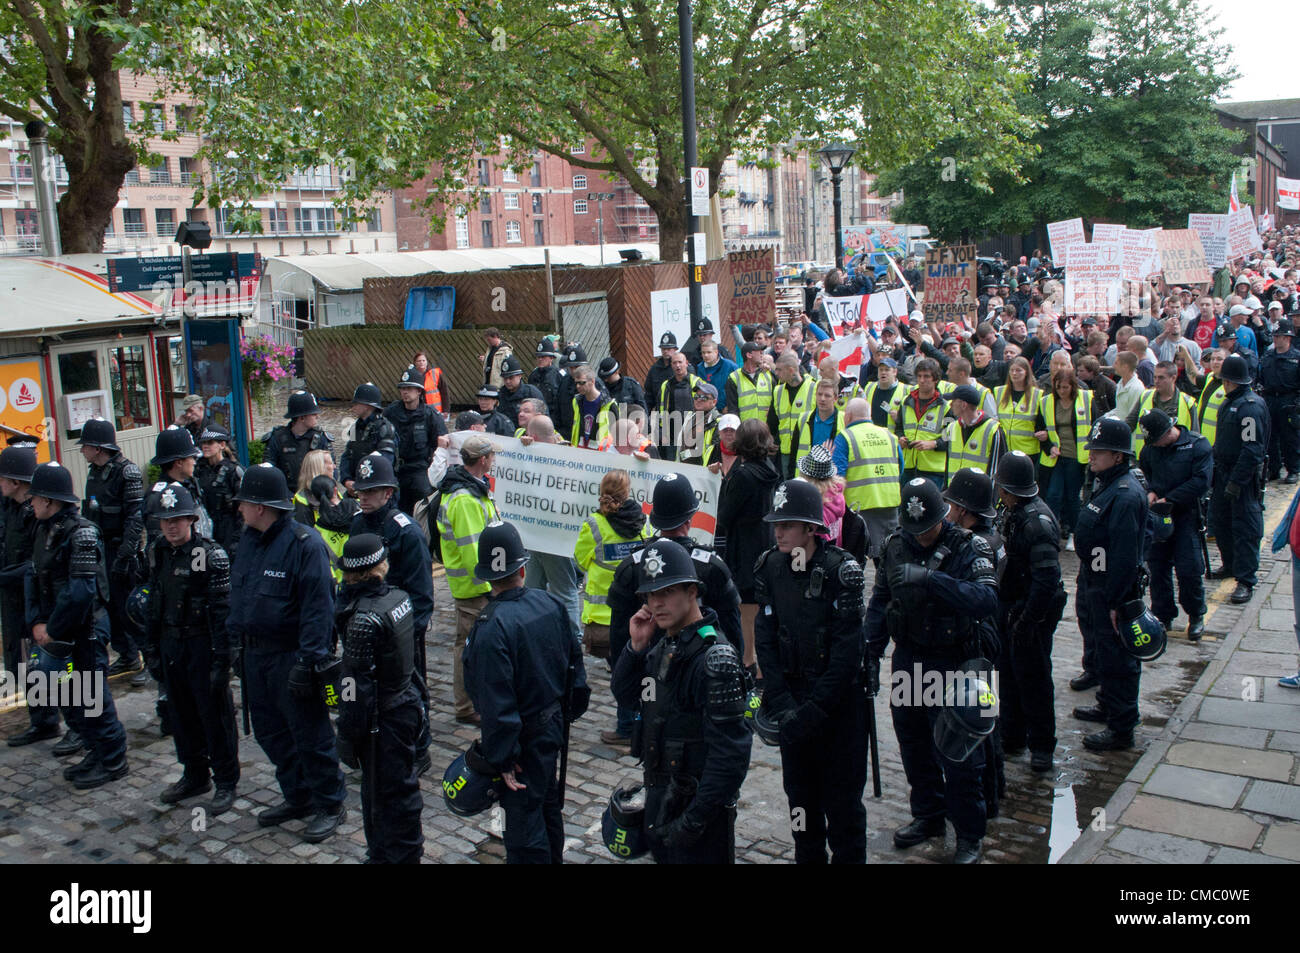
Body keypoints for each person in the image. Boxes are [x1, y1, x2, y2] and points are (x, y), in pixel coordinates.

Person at [865, 478, 1000, 864]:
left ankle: (969, 835)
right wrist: (870, 654)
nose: (921, 537)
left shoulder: (968, 547)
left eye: (927, 530)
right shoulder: (895, 546)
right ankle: (928, 815)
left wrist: (933, 580)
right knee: (914, 744)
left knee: (960, 757)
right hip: (911, 658)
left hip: (954, 661)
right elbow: (880, 602)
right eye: (915, 531)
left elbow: (986, 599)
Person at [610, 538, 752, 864]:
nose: (656, 603)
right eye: (650, 595)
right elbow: (629, 695)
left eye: (666, 592)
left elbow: (730, 756)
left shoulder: (714, 659)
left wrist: (693, 822)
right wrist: (635, 648)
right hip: (662, 799)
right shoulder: (666, 644)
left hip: (697, 812)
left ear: (692, 592)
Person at [228, 463, 346, 841]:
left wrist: (310, 662)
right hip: (255, 655)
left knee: (310, 736)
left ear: (260, 506)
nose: (240, 509)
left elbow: (318, 609)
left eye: (244, 503)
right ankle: (298, 795)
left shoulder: (304, 544)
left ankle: (330, 802)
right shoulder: (248, 539)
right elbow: (240, 592)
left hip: (291, 656)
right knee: (269, 732)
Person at [754, 478, 867, 863]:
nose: (779, 531)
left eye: (787, 525)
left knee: (844, 807)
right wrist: (783, 702)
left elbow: (847, 652)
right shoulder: (770, 566)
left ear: (810, 527)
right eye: (776, 524)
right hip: (792, 702)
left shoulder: (841, 572)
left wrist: (815, 711)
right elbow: (765, 638)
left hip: (837, 711)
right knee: (800, 804)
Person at [464, 520, 590, 864]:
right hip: (549, 730)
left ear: (488, 577)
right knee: (549, 807)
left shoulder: (491, 626)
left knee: (522, 826)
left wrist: (503, 757)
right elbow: (574, 671)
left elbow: (495, 700)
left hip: (521, 741)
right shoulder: (550, 604)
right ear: (523, 568)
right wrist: (566, 715)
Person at [604, 474, 743, 748]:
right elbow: (733, 635)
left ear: (654, 519)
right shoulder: (712, 566)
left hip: (653, 683)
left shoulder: (632, 565)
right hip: (700, 684)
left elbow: (619, 638)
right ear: (690, 519)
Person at [27, 461, 129, 787]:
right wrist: (39, 622)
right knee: (72, 699)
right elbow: (40, 580)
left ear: (49, 500)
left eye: (35, 498)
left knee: (92, 698)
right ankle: (95, 751)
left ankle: (113, 760)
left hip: (85, 630)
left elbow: (81, 592)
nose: (31, 503)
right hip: (60, 630)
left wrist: (51, 630)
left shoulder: (82, 533)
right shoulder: (45, 529)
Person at [142, 481, 238, 813]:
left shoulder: (210, 555)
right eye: (165, 519)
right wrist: (151, 649)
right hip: (171, 642)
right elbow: (154, 600)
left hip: (201, 644)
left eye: (178, 519)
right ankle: (194, 773)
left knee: (214, 716)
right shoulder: (157, 551)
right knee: (180, 715)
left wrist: (222, 661)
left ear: (192, 519)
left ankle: (225, 779)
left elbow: (222, 613)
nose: (171, 525)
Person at [333, 534, 424, 864]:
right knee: (398, 792)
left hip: (382, 721)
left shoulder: (361, 619)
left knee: (384, 798)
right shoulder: (399, 599)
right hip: (405, 704)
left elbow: (355, 687)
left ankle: (394, 855)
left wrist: (347, 733)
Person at [349, 452, 435, 770]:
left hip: (401, 628)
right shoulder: (358, 523)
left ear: (388, 492)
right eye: (361, 491)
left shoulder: (405, 531)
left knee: (411, 692)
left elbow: (422, 593)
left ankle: (419, 748)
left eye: (371, 491)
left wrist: (411, 633)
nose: (364, 497)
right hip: (370, 626)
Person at [1071, 418, 1151, 751]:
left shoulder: (1126, 495)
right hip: (1095, 581)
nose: (1091, 455)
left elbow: (1123, 555)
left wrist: (1118, 603)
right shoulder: (1107, 482)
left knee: (1119, 660)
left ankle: (1121, 727)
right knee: (1104, 652)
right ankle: (1107, 704)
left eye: (1099, 451)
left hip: (1111, 590)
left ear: (1118, 456)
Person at [993, 451, 1065, 772]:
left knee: (1034, 678)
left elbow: (1047, 581)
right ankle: (1013, 734)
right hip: (1012, 606)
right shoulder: (1011, 511)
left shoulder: (1037, 523)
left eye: (1001, 488)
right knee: (1009, 675)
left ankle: (1041, 746)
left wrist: (1027, 621)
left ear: (1010, 490)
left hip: (1032, 610)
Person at [436, 434, 501, 725]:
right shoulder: (464, 499)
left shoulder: (471, 488)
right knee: (468, 647)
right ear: (484, 460)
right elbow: (473, 550)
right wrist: (492, 588)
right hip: (473, 589)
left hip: (475, 586)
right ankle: (465, 706)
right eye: (492, 456)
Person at [1, 446, 63, 747]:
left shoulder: (34, 514)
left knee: (38, 663)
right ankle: (40, 719)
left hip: (31, 600)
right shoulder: (9, 507)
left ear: (15, 482)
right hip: (12, 599)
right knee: (19, 665)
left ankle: (51, 719)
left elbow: (33, 564)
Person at [78, 418, 146, 678]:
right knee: (109, 606)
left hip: (120, 550)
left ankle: (147, 658)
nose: (82, 450)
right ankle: (127, 656)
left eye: (85, 445)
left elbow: (135, 516)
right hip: (101, 549)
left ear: (98, 447)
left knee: (128, 607)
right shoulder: (95, 471)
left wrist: (126, 554)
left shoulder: (126, 472)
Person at [1138, 409, 1212, 641]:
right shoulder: (1151, 449)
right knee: (1158, 568)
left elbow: (1202, 481)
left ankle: (1196, 614)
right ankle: (1163, 614)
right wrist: (1150, 492)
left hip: (1185, 514)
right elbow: (1145, 474)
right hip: (1158, 515)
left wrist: (1170, 498)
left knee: (1189, 569)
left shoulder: (1197, 445)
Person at [717, 420, 782, 670]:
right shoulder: (767, 468)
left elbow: (725, 516)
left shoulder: (744, 475)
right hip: (764, 540)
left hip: (744, 546)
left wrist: (725, 481)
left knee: (746, 609)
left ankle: (748, 662)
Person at [1207, 353, 1270, 604]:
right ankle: (1230, 564)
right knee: (1221, 522)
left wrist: (1237, 481)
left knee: (1245, 527)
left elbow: (1252, 449)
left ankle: (1245, 579)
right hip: (1223, 472)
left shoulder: (1249, 407)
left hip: (1241, 477)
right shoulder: (1230, 403)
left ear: (1231, 381)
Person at [575, 469, 650, 660]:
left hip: (602, 618)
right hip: (637, 611)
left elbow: (580, 562)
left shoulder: (594, 524)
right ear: (627, 493)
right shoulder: (644, 522)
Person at [834, 397, 903, 558]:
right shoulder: (889, 435)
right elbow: (900, 466)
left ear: (848, 416)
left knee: (855, 558)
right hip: (889, 503)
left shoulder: (846, 437)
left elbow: (838, 476)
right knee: (888, 558)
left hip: (859, 507)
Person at [1034, 366, 1092, 552]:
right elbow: (1040, 428)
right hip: (1056, 457)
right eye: (1058, 387)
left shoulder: (1085, 399)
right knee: (1053, 495)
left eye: (1065, 387)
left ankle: (1074, 533)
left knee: (1072, 497)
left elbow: (1094, 423)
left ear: (1072, 386)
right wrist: (1048, 445)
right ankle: (1051, 531)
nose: (1061, 391)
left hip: (1076, 456)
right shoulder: (1046, 402)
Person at [384, 366, 449, 514]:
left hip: (419, 470)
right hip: (396, 470)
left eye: (409, 388)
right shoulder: (391, 412)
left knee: (425, 507)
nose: (404, 392)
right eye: (402, 388)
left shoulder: (430, 415)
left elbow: (442, 442)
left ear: (419, 391)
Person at [292, 450, 358, 584]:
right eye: (331, 463)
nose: (334, 466)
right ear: (319, 467)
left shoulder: (334, 493)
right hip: (327, 573)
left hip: (347, 567)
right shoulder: (303, 501)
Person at [264, 390, 334, 491]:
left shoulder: (321, 438)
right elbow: (269, 470)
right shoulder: (277, 438)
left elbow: (332, 471)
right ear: (302, 418)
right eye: (313, 414)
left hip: (315, 494)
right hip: (286, 496)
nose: (317, 417)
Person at [1257, 316, 1300, 483]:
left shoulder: (1296, 358)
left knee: (1290, 438)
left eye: (1278, 336)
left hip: (1289, 400)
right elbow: (1261, 378)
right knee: (1270, 438)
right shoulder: (1268, 356)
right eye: (1274, 335)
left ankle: (1293, 470)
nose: (1275, 338)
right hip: (1270, 399)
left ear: (1287, 337)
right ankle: (1272, 469)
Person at [1129, 361, 1199, 458]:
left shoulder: (1188, 402)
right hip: (1147, 457)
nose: (1156, 381)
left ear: (1173, 378)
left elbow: (1195, 436)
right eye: (1155, 377)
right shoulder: (1145, 396)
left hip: (1176, 458)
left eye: (1161, 377)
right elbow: (1129, 423)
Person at [896, 358, 948, 487]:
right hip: (907, 467)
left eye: (926, 377)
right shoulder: (905, 402)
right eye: (919, 376)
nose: (922, 380)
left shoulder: (946, 407)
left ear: (935, 380)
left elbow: (951, 439)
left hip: (933, 470)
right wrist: (900, 439)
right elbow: (898, 428)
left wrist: (933, 444)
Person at [941, 385, 1005, 486]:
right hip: (954, 492)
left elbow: (997, 470)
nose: (951, 404)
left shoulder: (993, 430)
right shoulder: (952, 427)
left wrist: (990, 499)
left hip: (978, 495)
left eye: (954, 401)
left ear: (963, 405)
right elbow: (947, 463)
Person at [339, 382, 398, 491]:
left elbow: (385, 463)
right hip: (355, 486)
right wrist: (346, 480)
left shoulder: (384, 429)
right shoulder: (355, 427)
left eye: (357, 403)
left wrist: (363, 483)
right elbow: (347, 455)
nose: (353, 406)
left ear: (368, 405)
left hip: (377, 489)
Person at [196, 425, 244, 558]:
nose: (205, 446)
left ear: (222, 445)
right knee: (199, 566)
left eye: (210, 443)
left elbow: (243, 507)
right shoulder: (198, 470)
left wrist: (237, 539)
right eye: (203, 443)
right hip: (204, 526)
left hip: (228, 528)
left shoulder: (234, 471)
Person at [768, 351, 816, 479]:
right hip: (786, 450)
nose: (776, 373)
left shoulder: (813, 388)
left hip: (807, 451)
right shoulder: (778, 391)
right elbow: (772, 421)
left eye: (779, 370)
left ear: (791, 370)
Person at [994, 357, 1042, 465]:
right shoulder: (999, 392)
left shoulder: (1037, 394)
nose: (1014, 373)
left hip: (1028, 451)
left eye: (1019, 370)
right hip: (1004, 449)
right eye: (1012, 370)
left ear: (1026, 373)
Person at [657, 351, 703, 462]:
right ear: (671, 365)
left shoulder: (696, 382)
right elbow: (661, 409)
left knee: (691, 463)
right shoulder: (666, 385)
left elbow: (702, 407)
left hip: (692, 433)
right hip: (672, 434)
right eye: (674, 363)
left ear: (686, 363)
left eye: (680, 362)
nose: (677, 365)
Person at [796, 446, 845, 545]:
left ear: (805, 475)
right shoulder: (836, 494)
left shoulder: (815, 507)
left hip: (818, 557)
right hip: (834, 555)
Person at [726, 341, 774, 425]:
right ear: (749, 355)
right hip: (746, 430)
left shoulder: (768, 374)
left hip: (767, 428)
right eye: (759, 352)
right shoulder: (734, 378)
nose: (762, 354)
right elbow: (733, 408)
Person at [569, 365, 616, 450]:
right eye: (576, 383)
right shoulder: (576, 401)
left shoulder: (609, 404)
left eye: (582, 382)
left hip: (601, 452)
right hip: (580, 449)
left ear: (592, 381)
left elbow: (619, 434)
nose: (578, 386)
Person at [645, 332, 681, 441]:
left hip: (678, 416)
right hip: (660, 417)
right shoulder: (654, 369)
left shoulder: (681, 368)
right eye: (663, 348)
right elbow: (648, 395)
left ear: (675, 349)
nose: (665, 351)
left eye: (669, 349)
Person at [795, 379, 841, 463]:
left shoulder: (844, 420)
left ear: (835, 398)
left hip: (832, 473)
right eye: (819, 394)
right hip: (806, 473)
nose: (822, 399)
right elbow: (794, 451)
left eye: (827, 395)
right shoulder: (803, 418)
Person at [678, 380, 720, 466]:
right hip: (684, 469)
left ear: (714, 402)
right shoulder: (689, 417)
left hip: (704, 473)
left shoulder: (718, 423)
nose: (698, 400)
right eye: (696, 396)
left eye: (704, 397)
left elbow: (716, 456)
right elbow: (683, 450)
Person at [497, 355, 545, 429]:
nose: (507, 381)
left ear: (520, 376)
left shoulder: (531, 392)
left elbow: (543, 418)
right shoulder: (501, 394)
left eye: (511, 377)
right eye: (505, 378)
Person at [860, 358, 906, 427]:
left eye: (887, 370)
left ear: (895, 372)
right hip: (871, 434)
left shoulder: (905, 389)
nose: (883, 372)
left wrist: (900, 418)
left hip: (892, 436)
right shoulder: (869, 387)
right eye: (881, 370)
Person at [696, 339, 739, 413]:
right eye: (703, 353)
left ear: (716, 352)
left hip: (726, 411)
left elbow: (739, 388)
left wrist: (730, 406)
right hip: (707, 411)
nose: (706, 355)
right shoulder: (699, 368)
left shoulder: (730, 366)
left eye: (709, 352)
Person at [529, 340, 563, 416]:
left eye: (543, 357)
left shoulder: (559, 375)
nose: (540, 359)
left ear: (551, 358)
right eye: (538, 357)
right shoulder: (533, 375)